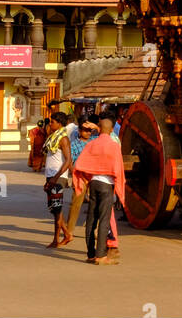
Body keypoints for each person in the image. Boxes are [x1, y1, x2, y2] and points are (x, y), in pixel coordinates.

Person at [72, 117, 125, 264]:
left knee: (91, 219)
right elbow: (118, 168)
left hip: (93, 183)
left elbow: (80, 163)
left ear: (99, 129)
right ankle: (101, 255)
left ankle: (91, 254)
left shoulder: (91, 144)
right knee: (104, 220)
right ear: (111, 130)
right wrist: (119, 186)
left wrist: (85, 179)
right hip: (106, 185)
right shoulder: (114, 146)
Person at [42, 113, 72, 249]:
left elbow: (68, 160)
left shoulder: (63, 139)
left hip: (58, 177)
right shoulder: (53, 138)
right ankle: (65, 235)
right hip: (51, 176)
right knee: (54, 209)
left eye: (52, 122)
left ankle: (58, 238)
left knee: (57, 208)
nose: (50, 124)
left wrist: (55, 178)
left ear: (59, 124)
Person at [65, 119, 99, 236]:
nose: (88, 132)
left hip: (94, 176)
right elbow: (70, 161)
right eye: (85, 130)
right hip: (81, 177)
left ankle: (94, 230)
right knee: (76, 204)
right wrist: (74, 173)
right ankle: (69, 230)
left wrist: (96, 127)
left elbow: (105, 135)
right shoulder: (74, 144)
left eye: (90, 130)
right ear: (79, 131)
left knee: (96, 204)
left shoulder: (95, 141)